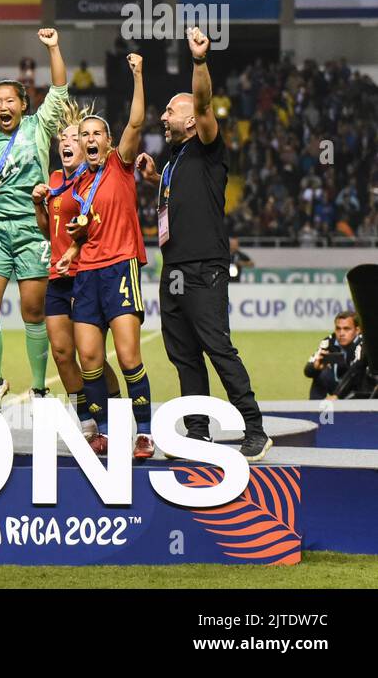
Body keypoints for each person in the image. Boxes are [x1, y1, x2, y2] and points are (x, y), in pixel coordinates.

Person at [137, 27, 271, 460]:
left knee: (217, 346)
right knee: (184, 354)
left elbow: (205, 101)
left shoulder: (209, 143)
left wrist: (198, 61)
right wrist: (157, 179)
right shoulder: (176, 160)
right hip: (173, 268)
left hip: (204, 266)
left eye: (171, 112)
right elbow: (183, 199)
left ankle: (254, 428)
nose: (163, 118)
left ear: (193, 119)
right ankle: (197, 432)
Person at [0, 27, 69, 407]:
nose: (2, 106)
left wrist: (53, 47)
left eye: (10, 100)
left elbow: (58, 90)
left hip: (33, 229)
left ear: (24, 105)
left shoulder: (38, 128)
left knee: (33, 311)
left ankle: (40, 386)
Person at [56, 54, 154, 459]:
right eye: (85, 135)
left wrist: (137, 75)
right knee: (90, 359)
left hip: (120, 266)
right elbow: (85, 227)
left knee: (129, 356)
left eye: (97, 133)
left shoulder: (120, 164)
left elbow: (135, 122)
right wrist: (73, 250)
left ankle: (145, 433)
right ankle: (108, 435)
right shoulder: (76, 184)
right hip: (86, 274)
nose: (91, 138)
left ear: (108, 142)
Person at [303, 310, 364, 400]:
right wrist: (315, 367)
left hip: (359, 387)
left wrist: (337, 394)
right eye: (338, 329)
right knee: (321, 373)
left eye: (346, 329)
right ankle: (314, 409)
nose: (341, 333)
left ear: (357, 330)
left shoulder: (364, 343)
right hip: (338, 384)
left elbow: (355, 371)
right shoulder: (329, 342)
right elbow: (307, 371)